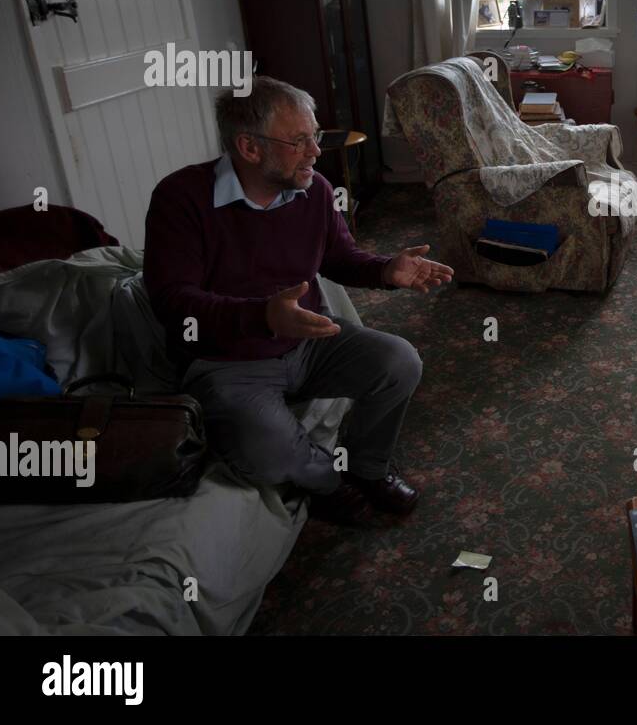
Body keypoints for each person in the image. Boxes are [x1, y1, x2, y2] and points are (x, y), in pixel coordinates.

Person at [143, 77, 453, 522]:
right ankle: (328, 482)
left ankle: (367, 468)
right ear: (249, 147)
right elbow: (173, 303)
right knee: (262, 448)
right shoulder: (181, 198)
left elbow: (340, 257)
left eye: (315, 136)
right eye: (298, 141)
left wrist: (385, 269)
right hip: (226, 359)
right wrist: (263, 316)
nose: (315, 151)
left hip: (309, 340)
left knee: (399, 361)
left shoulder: (315, 191)